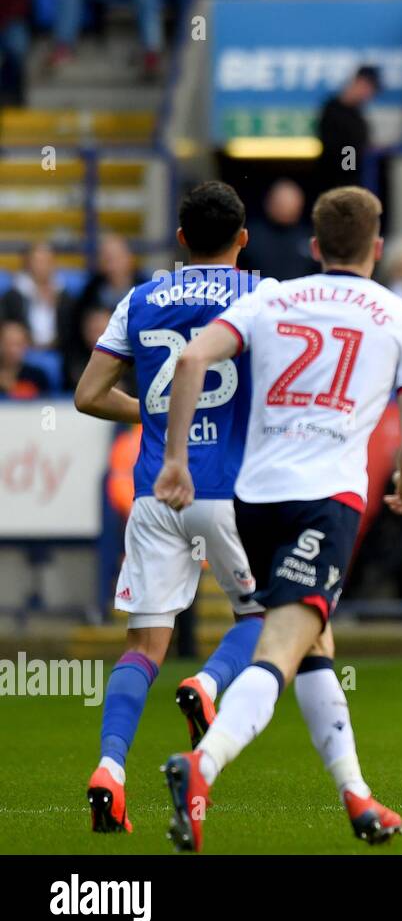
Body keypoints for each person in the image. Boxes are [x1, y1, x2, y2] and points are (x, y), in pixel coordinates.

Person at [153, 186, 402, 852]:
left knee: (315, 646)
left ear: (314, 247)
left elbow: (191, 358)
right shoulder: (398, 316)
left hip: (256, 501)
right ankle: (202, 767)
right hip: (325, 501)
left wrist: (175, 461)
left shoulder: (269, 297)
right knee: (280, 649)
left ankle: (357, 796)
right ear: (376, 247)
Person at [72, 182, 267, 834]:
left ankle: (110, 769)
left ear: (180, 239)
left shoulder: (141, 297)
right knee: (266, 617)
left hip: (157, 487)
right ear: (243, 239)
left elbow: (88, 394)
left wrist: (152, 418)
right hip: (231, 488)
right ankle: (208, 685)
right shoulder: (260, 296)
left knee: (143, 644)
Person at [314, 66, 378, 196]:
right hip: (335, 184)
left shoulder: (357, 115)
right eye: (368, 88)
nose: (368, 94)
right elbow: (345, 151)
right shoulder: (333, 110)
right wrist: (348, 175)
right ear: (359, 82)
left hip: (352, 182)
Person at [1, 240, 74, 350]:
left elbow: (71, 328)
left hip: (60, 350)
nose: (42, 266)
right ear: (27, 263)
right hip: (23, 351)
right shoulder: (13, 295)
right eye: (37, 261)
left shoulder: (64, 295)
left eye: (46, 261)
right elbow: (9, 325)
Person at [241, 179, 316, 281]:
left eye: (290, 202)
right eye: (280, 202)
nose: (285, 207)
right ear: (268, 202)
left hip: (300, 294)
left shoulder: (310, 236)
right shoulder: (250, 235)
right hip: (260, 294)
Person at [0, 319, 50, 398]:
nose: (12, 350)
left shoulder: (36, 375)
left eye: (18, 344)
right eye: (8, 344)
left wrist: (12, 387)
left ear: (26, 345)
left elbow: (47, 402)